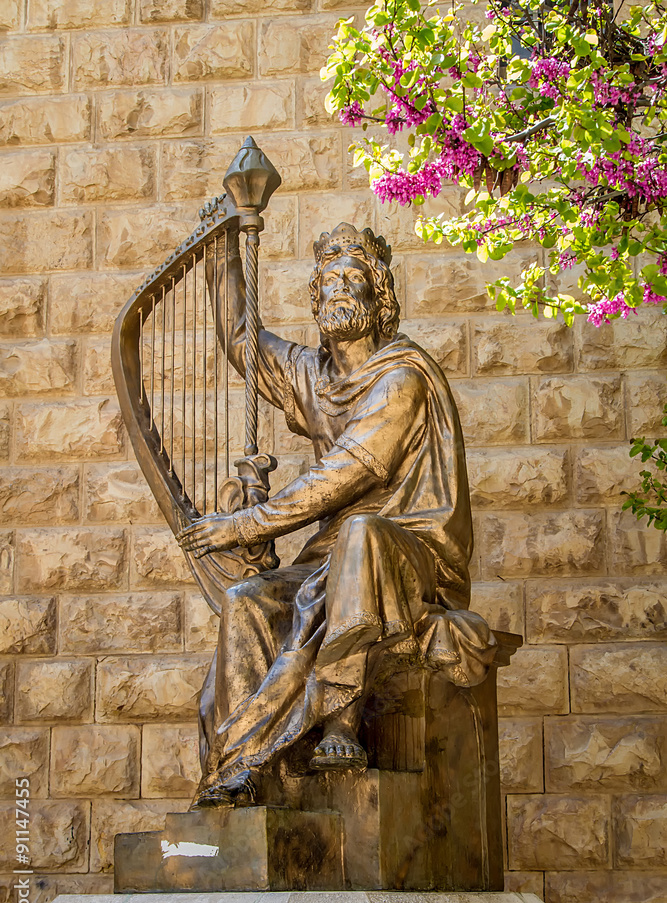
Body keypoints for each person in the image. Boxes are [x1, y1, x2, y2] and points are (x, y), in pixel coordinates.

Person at [177, 222, 497, 808]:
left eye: (354, 278)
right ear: (316, 296)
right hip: (332, 563)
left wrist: (244, 526)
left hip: (411, 554)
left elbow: (346, 474)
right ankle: (245, 768)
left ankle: (341, 721)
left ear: (380, 297)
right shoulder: (313, 375)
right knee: (248, 600)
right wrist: (225, 247)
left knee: (360, 532)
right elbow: (240, 340)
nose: (340, 289)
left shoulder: (402, 377)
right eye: (329, 279)